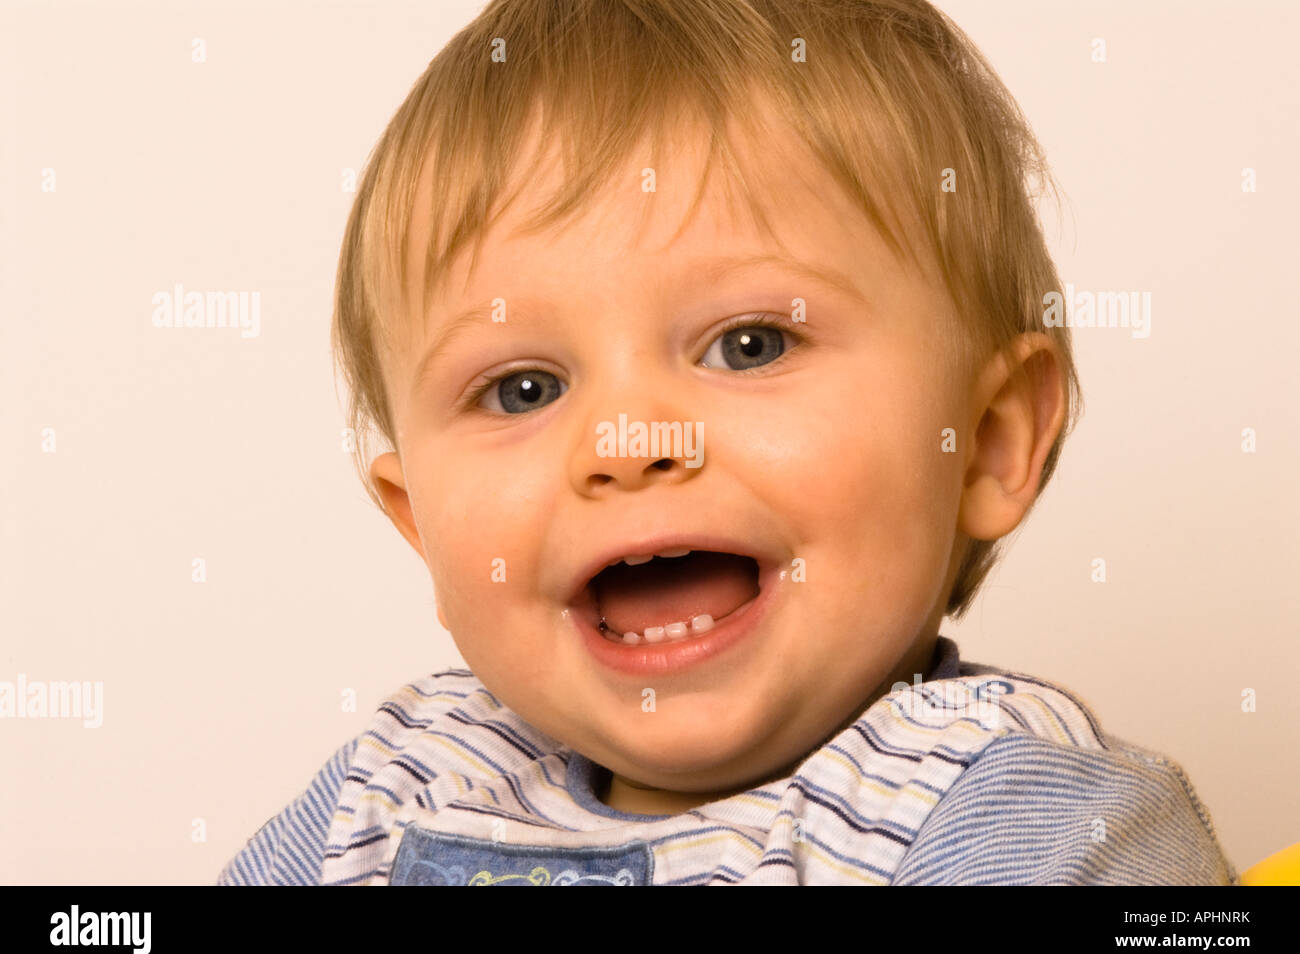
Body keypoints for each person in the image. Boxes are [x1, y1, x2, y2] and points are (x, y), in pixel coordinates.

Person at [219, 0, 1236, 885]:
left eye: (749, 345)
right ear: (420, 527)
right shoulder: (388, 795)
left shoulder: (1024, 815)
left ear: (985, 440)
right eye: (522, 388)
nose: (625, 441)